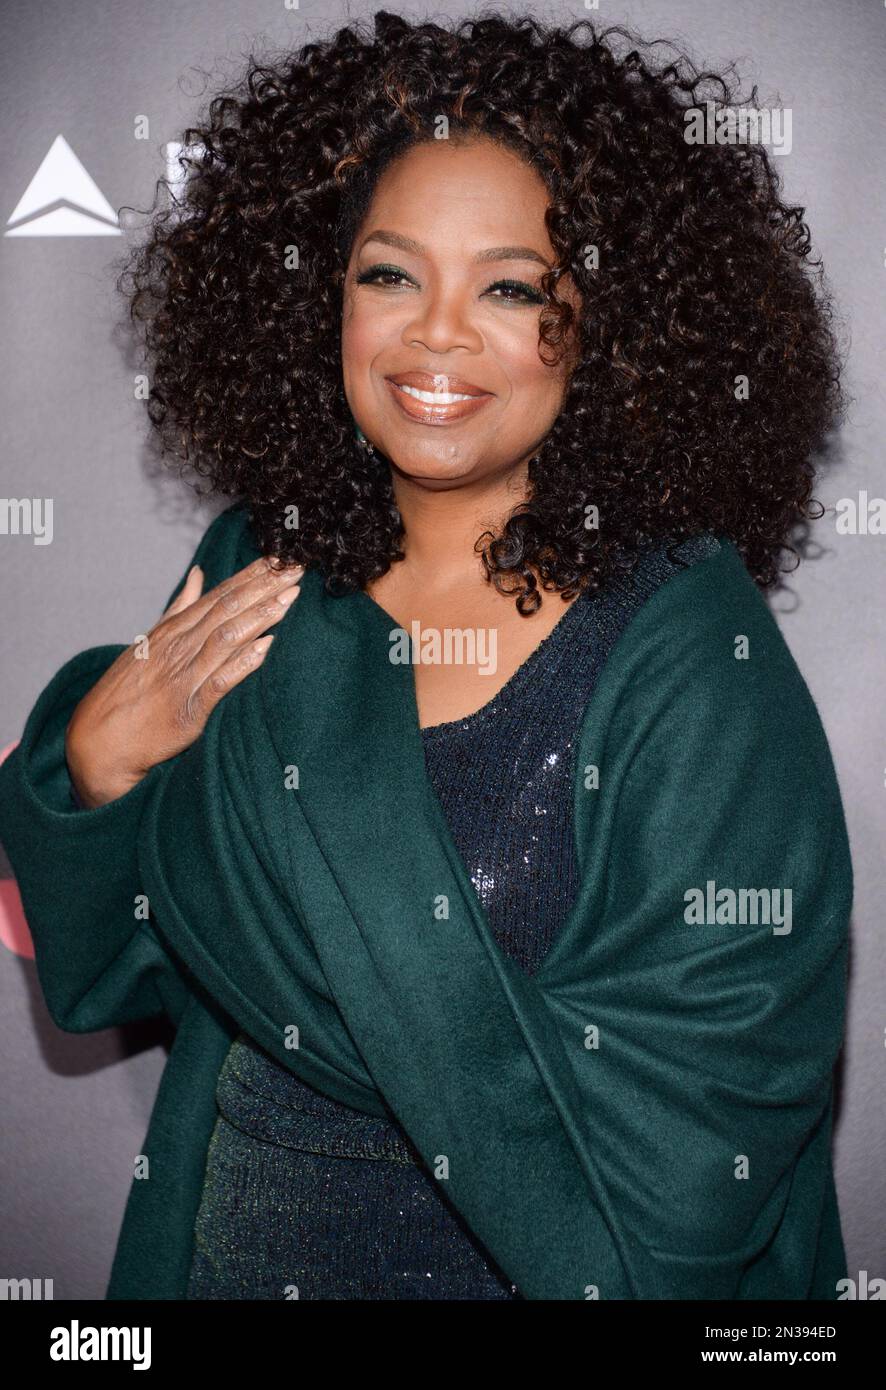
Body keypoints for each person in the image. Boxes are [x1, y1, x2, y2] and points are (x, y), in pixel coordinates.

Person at [0, 11, 852, 1300]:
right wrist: (97, 766)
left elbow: (699, 1149)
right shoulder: (259, 566)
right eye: (390, 275)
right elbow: (125, 964)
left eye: (511, 287)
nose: (435, 336)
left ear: (606, 328)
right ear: (319, 295)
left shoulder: (688, 649)